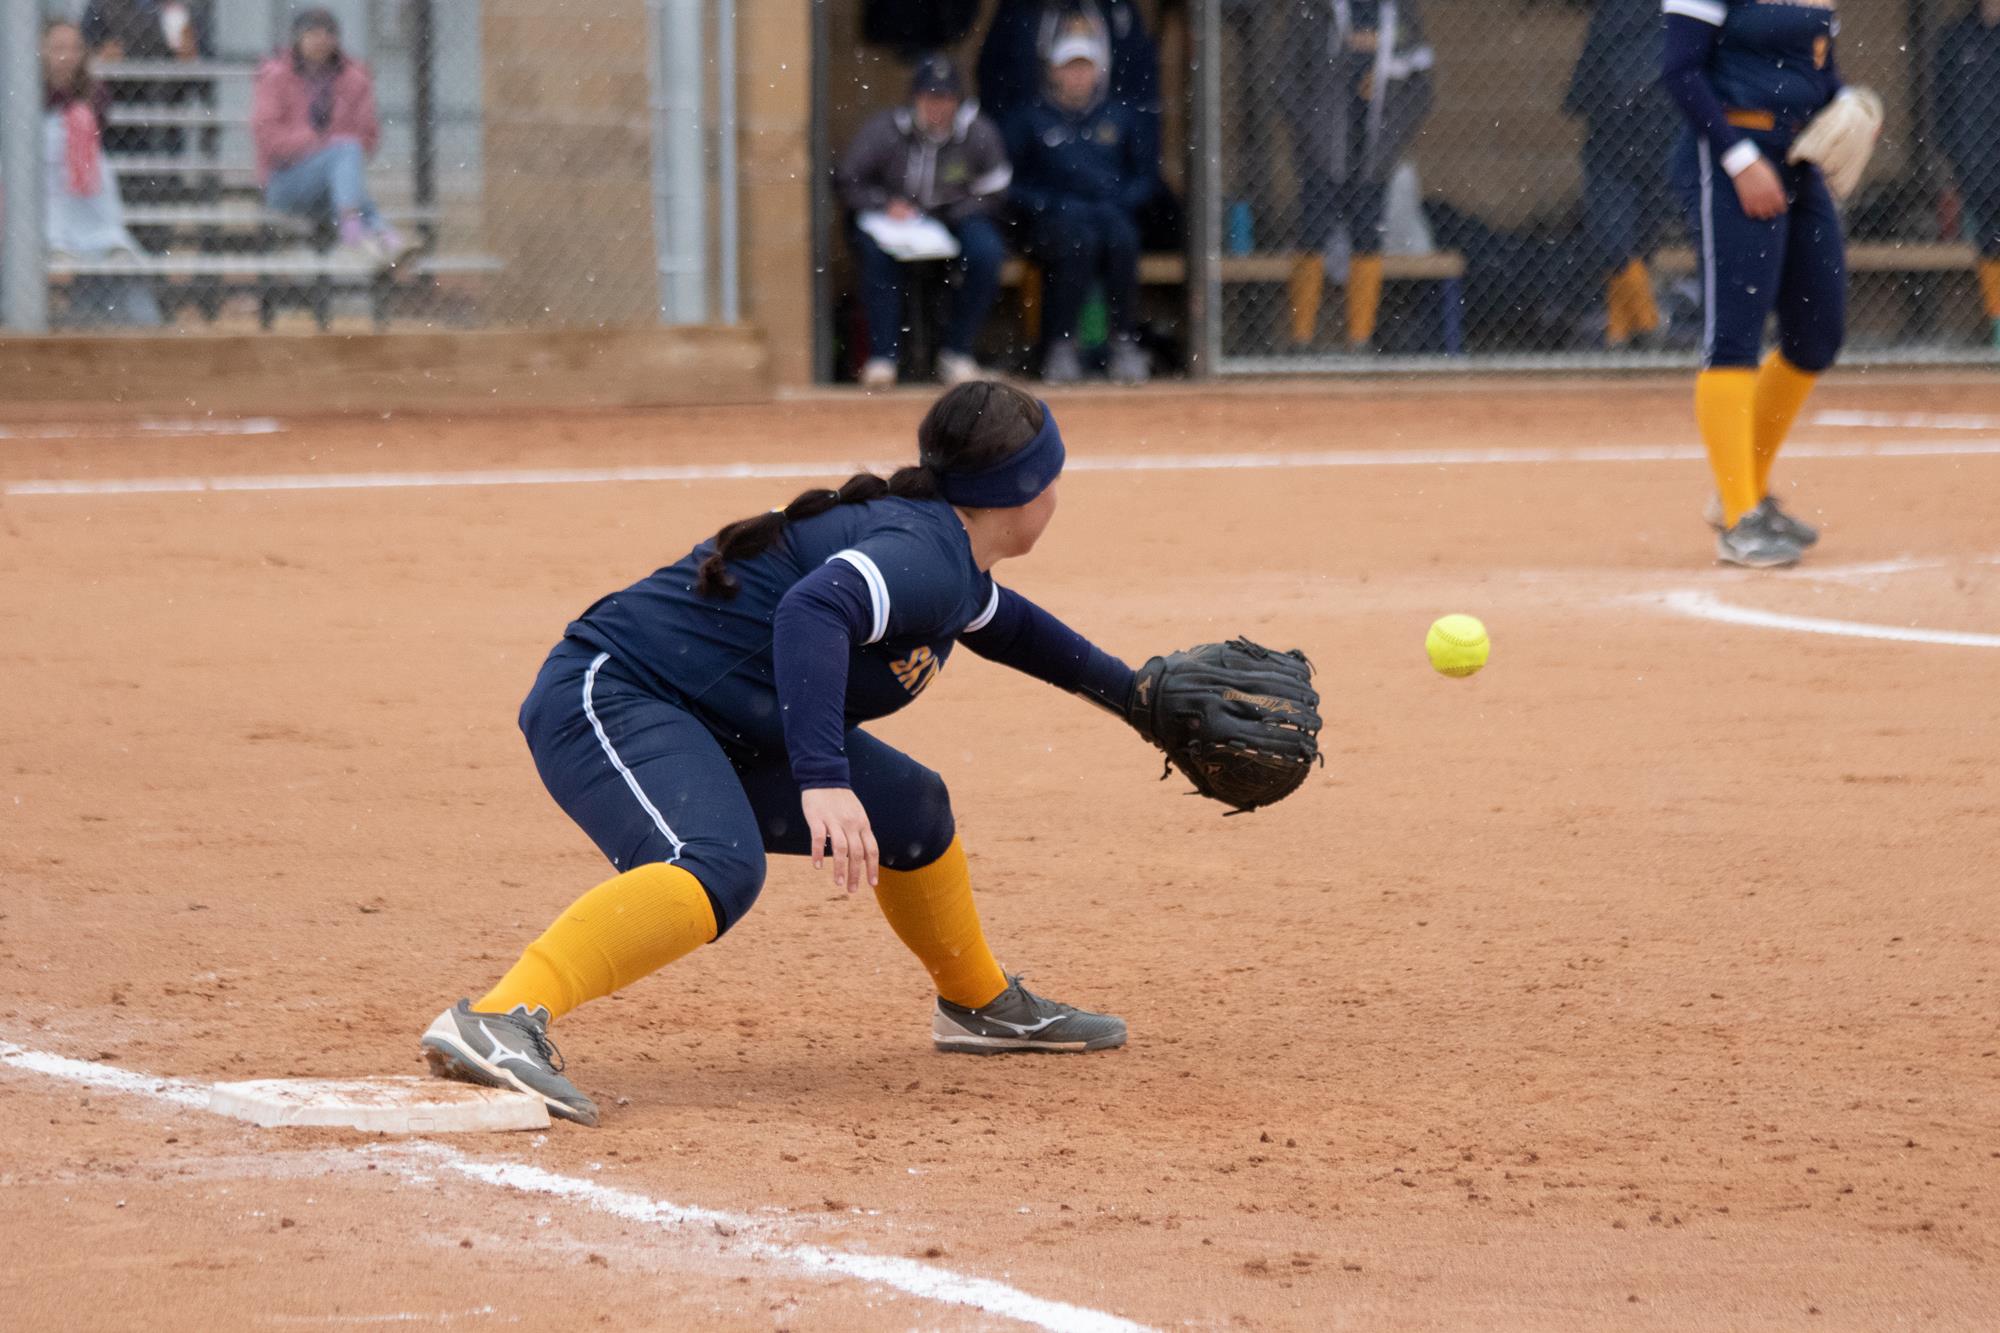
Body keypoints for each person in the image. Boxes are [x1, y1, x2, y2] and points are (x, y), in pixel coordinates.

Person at [419, 384, 1137, 1125]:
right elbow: (815, 607)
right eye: (1053, 474)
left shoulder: (948, 559)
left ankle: (978, 1002)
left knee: (912, 809)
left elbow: (1016, 629)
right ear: (1022, 491)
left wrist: (1142, 700)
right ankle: (500, 1014)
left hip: (721, 719)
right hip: (614, 693)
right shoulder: (925, 555)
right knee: (716, 863)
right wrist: (822, 778)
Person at [1663, 0, 1866, 567]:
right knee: (1734, 335)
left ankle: (1740, 490)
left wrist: (1845, 101)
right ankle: (1739, 515)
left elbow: (1821, 69)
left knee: (1817, 334)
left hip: (1800, 157)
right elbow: (1680, 70)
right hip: (1730, 155)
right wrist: (1739, 158)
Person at [837, 53, 1011, 389]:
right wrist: (885, 204)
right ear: (915, 98)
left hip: (957, 218)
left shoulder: (978, 132)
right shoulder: (884, 131)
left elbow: (997, 187)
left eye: (946, 98)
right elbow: (849, 179)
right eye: (931, 98)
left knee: (986, 251)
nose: (938, 107)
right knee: (876, 257)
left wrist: (957, 209)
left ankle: (956, 353)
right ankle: (883, 357)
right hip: (896, 223)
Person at [1276, 0, 1435, 352]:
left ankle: (1360, 340)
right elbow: (1285, 78)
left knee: (1367, 236)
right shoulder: (1315, 10)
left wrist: (1392, 134)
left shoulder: (1398, 12)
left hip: (1372, 152)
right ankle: (1300, 340)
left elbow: (1421, 85)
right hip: (1324, 153)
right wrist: (1312, 129)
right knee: (1312, 233)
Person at [1004, 31, 1160, 385]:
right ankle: (1061, 345)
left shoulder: (1120, 117)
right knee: (1079, 244)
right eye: (1070, 68)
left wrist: (1119, 202)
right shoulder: (1030, 118)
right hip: (1053, 221)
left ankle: (1123, 341)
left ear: (1098, 72)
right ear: (1054, 72)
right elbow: (1010, 184)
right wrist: (1049, 204)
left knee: (1123, 240)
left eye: (1084, 68)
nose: (1077, 76)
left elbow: (1144, 178)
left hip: (1110, 215)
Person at [251, 8, 411, 266]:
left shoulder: (354, 78)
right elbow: (267, 137)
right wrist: (315, 143)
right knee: (345, 155)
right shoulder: (276, 75)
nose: (320, 40)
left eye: (327, 33)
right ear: (297, 38)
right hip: (286, 182)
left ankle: (361, 232)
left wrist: (334, 149)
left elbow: (369, 136)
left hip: (334, 188)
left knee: (345, 158)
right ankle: (376, 235)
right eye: (312, 33)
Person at [1565, 0, 1677, 349]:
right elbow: (1596, 71)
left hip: (1661, 128)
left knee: (1643, 239)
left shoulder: (1676, 15)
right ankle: (1646, 325)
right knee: (1613, 237)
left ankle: (1622, 333)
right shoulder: (1615, 11)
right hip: (1611, 131)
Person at [41, 20, 163, 329]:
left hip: (87, 195)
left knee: (118, 262)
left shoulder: (93, 92)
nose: (66, 56)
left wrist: (75, 113)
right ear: (41, 52)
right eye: (58, 48)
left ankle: (144, 329)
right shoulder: (23, 91)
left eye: (73, 49)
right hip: (43, 190)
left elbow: (94, 125)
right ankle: (58, 243)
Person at [1933, 0, 2000, 348]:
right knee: (1990, 246)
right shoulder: (1957, 36)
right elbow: (1941, 106)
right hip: (1976, 165)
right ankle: (1999, 331)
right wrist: (1954, 161)